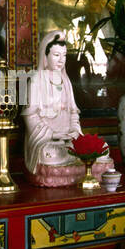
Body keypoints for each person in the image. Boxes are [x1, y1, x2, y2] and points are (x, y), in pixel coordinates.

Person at [23, 30, 113, 183]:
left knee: (102, 149)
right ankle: (80, 170)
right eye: (56, 55)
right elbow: (31, 117)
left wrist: (74, 131)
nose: (61, 60)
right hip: (47, 140)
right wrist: (53, 135)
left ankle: (81, 169)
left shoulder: (65, 81)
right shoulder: (36, 81)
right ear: (45, 57)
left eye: (64, 55)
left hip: (69, 138)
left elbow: (73, 112)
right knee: (50, 154)